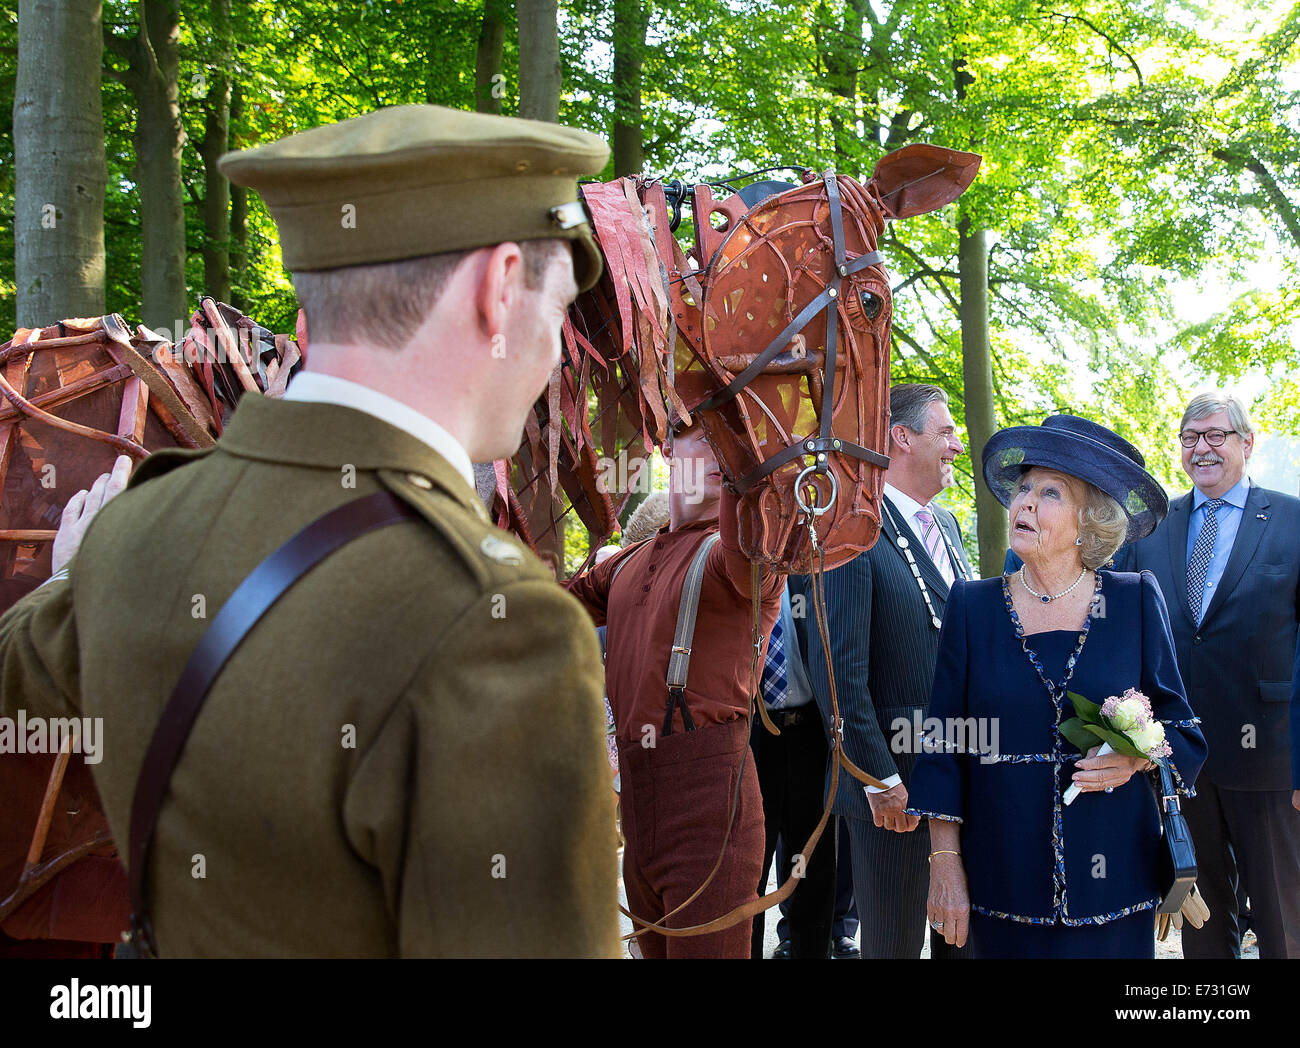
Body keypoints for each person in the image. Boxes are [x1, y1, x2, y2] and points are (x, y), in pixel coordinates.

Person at [0, 104, 620, 957]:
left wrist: (80, 570)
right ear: (500, 287)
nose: (556, 352)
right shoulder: (497, 623)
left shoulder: (133, 530)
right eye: (558, 311)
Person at [909, 414, 1207, 958]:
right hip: (1002, 885)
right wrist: (944, 861)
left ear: (1087, 523)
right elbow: (942, 745)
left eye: (1050, 493)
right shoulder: (972, 607)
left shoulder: (1135, 599)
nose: (1024, 503)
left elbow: (1183, 731)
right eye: (1023, 488)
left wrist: (1137, 758)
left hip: (1117, 882)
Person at [566, 421, 783, 958]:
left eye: (735, 436)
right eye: (706, 435)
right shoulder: (627, 563)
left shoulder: (732, 555)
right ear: (668, 448)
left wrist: (749, 472)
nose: (723, 449)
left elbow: (752, 544)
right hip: (636, 808)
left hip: (709, 807)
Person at [790, 383, 974, 959]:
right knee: (891, 945)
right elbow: (837, 672)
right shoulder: (850, 530)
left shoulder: (946, 527)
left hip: (963, 773)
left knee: (961, 937)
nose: (956, 447)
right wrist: (879, 779)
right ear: (902, 436)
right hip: (891, 791)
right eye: (945, 432)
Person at [1122, 392, 1300, 959]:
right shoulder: (1150, 528)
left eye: (1216, 435)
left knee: (1284, 918)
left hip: (1270, 755)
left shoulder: (1293, 520)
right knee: (1201, 920)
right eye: (1190, 437)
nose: (1202, 447)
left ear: (1246, 443)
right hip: (1179, 760)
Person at [748, 582, 836, 959]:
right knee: (747, 869)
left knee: (812, 869)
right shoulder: (733, 565)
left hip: (810, 735)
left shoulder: (813, 568)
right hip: (748, 736)